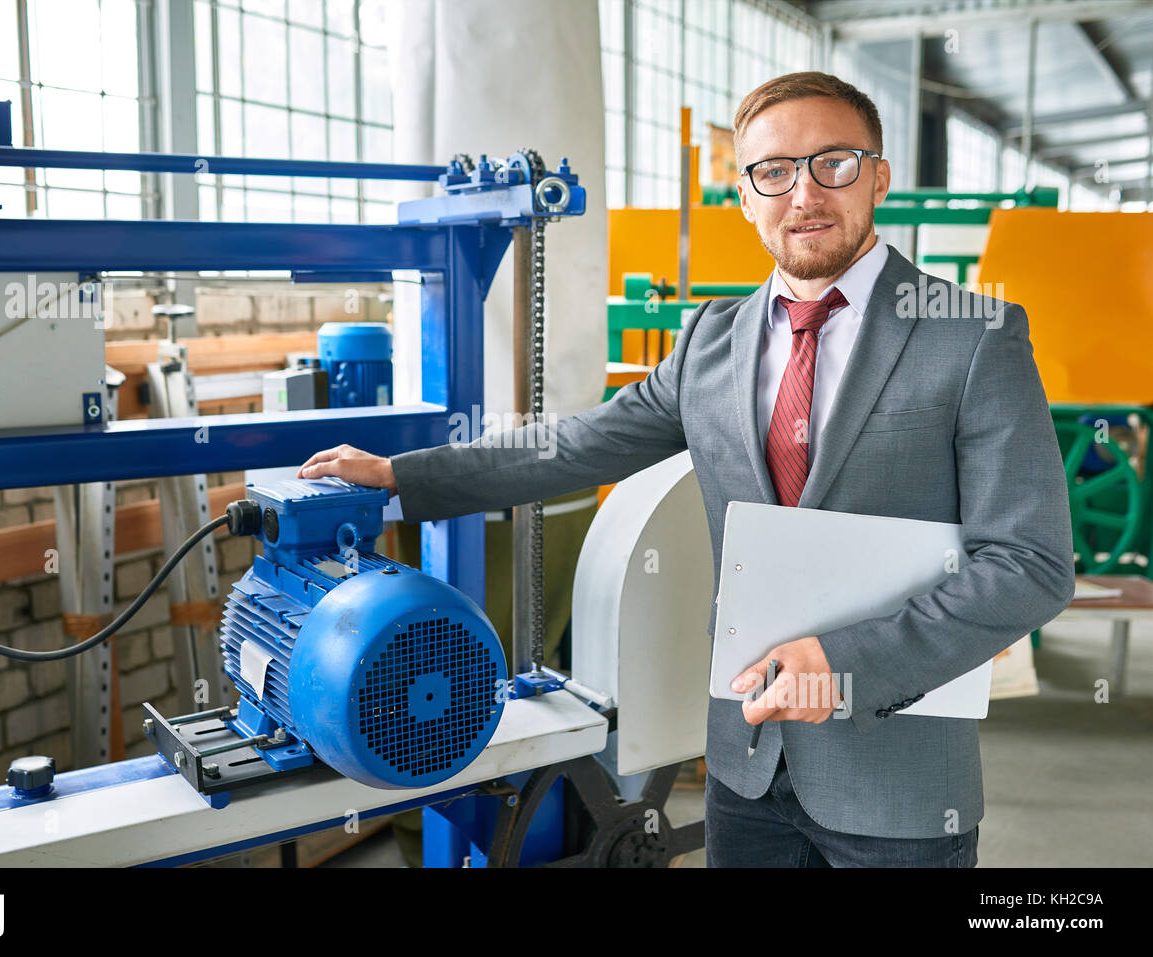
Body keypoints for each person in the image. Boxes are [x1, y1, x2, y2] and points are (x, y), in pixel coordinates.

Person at [297, 71, 1074, 867]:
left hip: (896, 780)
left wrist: (845, 663)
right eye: (774, 171)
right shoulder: (713, 340)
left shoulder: (974, 337)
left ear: (878, 173)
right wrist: (403, 474)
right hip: (744, 768)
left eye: (832, 162)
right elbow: (572, 445)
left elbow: (1031, 564)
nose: (803, 193)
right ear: (745, 196)